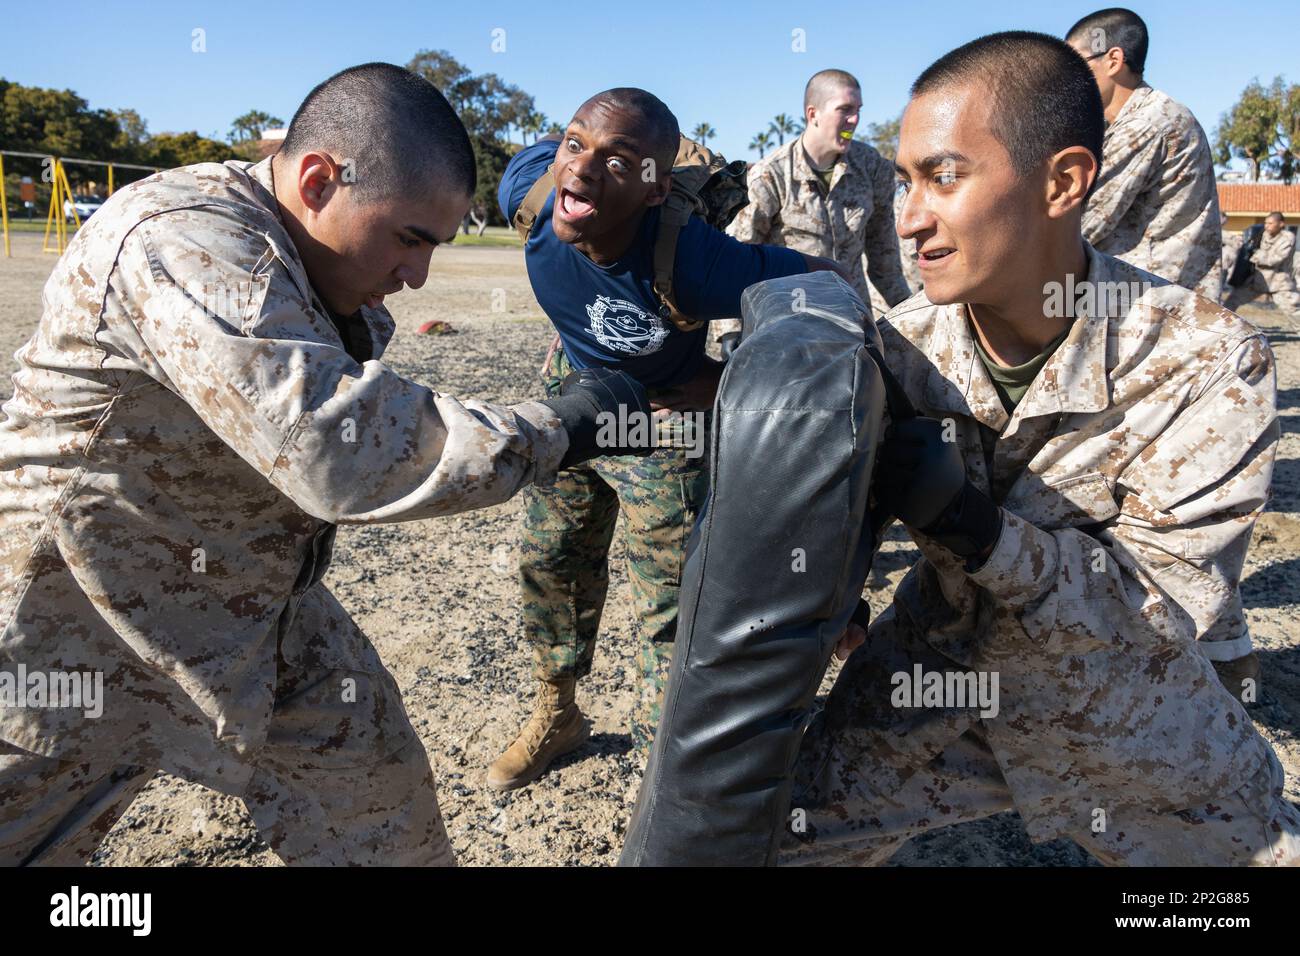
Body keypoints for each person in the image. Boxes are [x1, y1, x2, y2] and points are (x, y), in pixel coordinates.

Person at [0, 63, 649, 867]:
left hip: (259, 609)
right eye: (410, 238)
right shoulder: (185, 239)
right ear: (317, 180)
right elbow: (333, 447)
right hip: (77, 629)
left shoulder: (321, 262)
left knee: (382, 808)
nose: (416, 277)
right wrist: (577, 422)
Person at [782, 31, 1300, 866]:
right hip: (936, 674)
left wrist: (979, 531)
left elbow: (1160, 611)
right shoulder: (898, 351)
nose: (909, 217)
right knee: (772, 843)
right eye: (906, 181)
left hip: (1127, 702)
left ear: (1063, 181)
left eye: (943, 176)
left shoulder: (1209, 361)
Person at [490, 87, 842, 791]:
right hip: (575, 397)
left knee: (670, 612)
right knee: (551, 559)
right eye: (574, 143)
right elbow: (560, 169)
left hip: (662, 422)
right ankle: (559, 711)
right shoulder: (527, 193)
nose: (581, 172)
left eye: (618, 162)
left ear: (653, 190)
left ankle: (665, 773)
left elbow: (827, 289)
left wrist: (732, 378)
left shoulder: (699, 263)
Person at [1065, 8, 1223, 299]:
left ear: (1113, 60)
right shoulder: (1132, 119)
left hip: (1157, 304)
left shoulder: (1147, 123)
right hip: (1144, 297)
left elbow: (1080, 223)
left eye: (1075, 64)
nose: (1068, 79)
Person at [728, 69, 911, 313]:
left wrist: (909, 310)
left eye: (858, 110)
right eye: (845, 109)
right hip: (790, 322)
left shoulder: (871, 165)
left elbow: (884, 258)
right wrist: (728, 330)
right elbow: (738, 255)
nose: (855, 119)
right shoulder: (772, 174)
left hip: (852, 320)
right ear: (813, 114)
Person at [1225, 212, 1300, 320]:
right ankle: (1221, 328)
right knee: (1231, 302)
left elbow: (1276, 259)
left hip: (1279, 283)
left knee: (1294, 312)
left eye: (1270, 223)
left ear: (1281, 224)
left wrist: (1256, 255)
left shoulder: (1288, 237)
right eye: (1266, 223)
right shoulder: (1261, 234)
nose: (1267, 226)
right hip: (1258, 281)